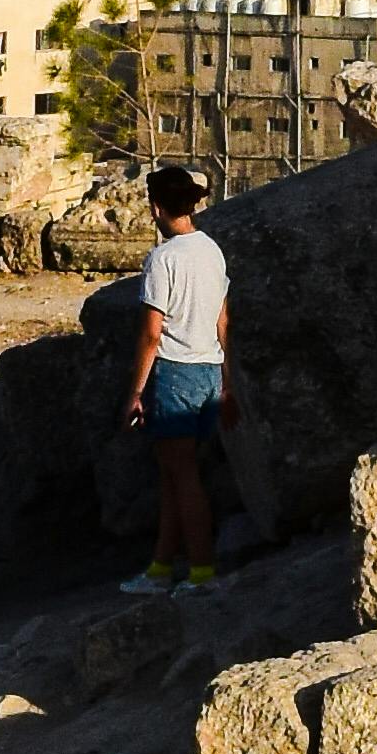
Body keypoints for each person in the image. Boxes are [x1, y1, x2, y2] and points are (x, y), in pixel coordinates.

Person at [123, 161, 233, 592]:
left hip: (175, 373)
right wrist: (229, 383)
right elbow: (224, 321)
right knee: (175, 473)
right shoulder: (212, 250)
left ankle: (203, 571)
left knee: (183, 478)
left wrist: (134, 391)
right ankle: (161, 568)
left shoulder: (162, 259)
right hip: (208, 369)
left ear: (155, 208)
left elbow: (152, 333)